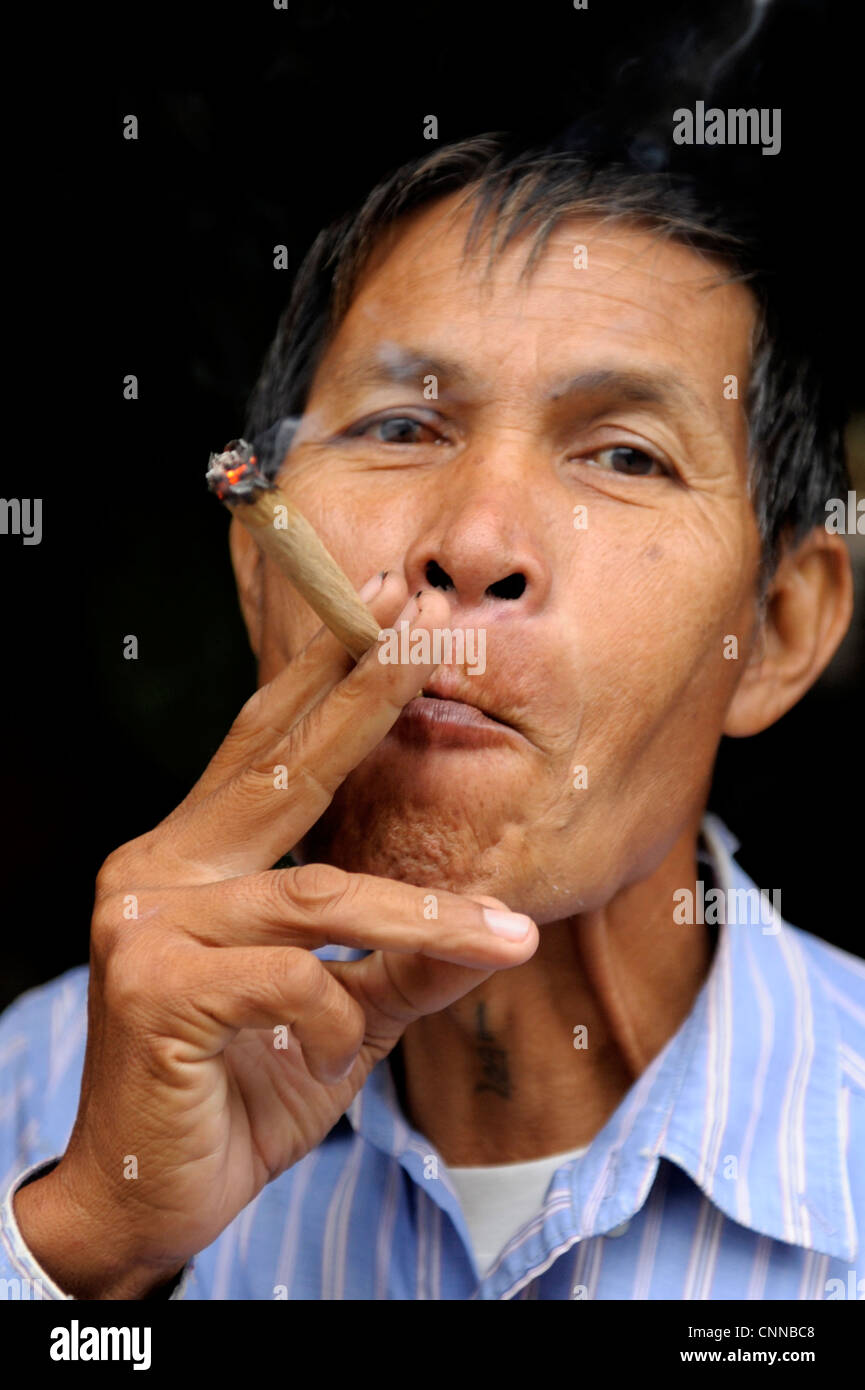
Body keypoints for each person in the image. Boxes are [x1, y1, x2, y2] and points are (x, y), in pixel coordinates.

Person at [1, 135, 862, 1301]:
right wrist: (93, 1243)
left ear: (776, 629)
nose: (472, 543)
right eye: (401, 428)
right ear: (257, 577)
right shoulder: (39, 1095)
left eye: (622, 454)